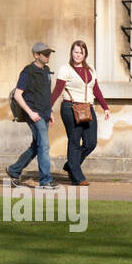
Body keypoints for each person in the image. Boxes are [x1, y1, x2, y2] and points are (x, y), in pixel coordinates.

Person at [48, 39, 110, 186]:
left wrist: (105, 107)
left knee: (91, 142)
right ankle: (77, 177)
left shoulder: (91, 69)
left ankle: (71, 165)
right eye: (75, 52)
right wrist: (48, 108)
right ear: (71, 52)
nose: (78, 55)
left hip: (88, 108)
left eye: (81, 52)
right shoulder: (65, 69)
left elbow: (96, 89)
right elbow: (57, 90)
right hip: (70, 108)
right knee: (74, 141)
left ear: (85, 54)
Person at [6, 42, 58, 188]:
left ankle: (14, 170)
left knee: (37, 146)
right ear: (36, 55)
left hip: (45, 113)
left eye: (49, 53)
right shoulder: (27, 71)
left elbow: (45, 95)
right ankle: (46, 181)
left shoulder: (47, 71)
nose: (48, 56)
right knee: (44, 146)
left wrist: (51, 112)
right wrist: (30, 112)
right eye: (45, 53)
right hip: (34, 115)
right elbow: (17, 95)